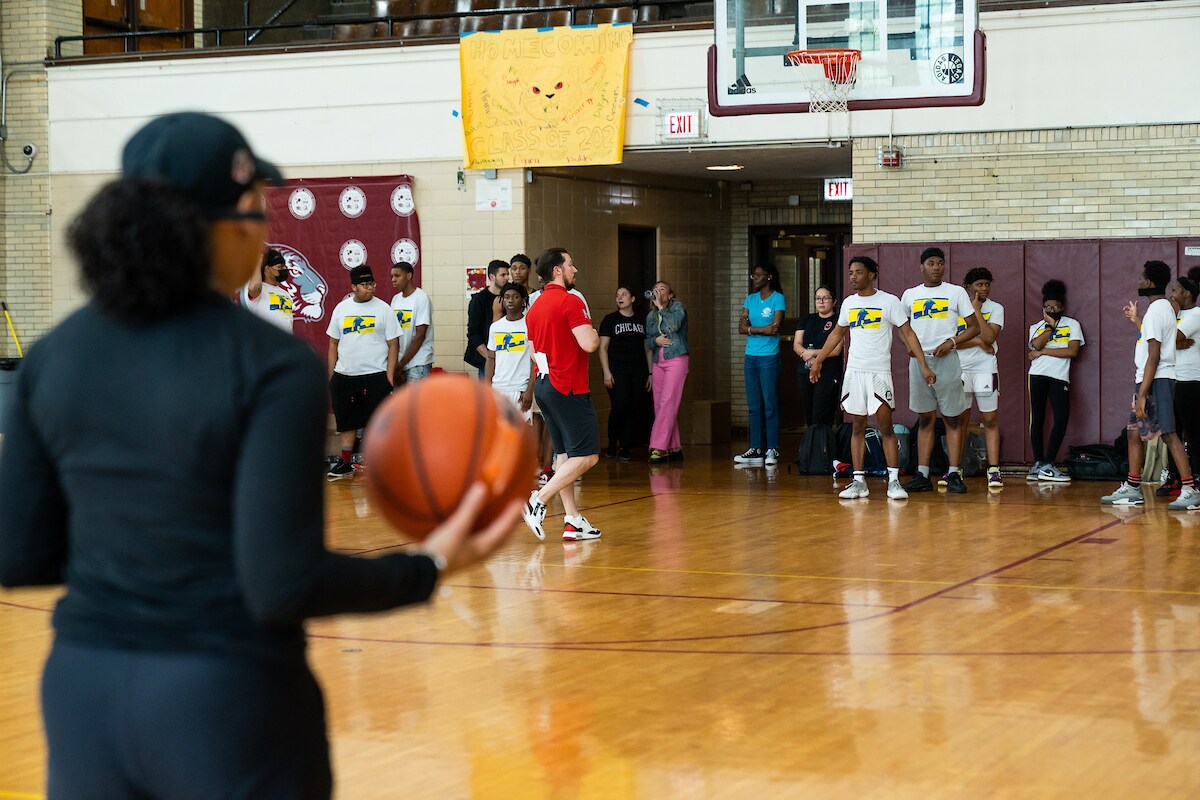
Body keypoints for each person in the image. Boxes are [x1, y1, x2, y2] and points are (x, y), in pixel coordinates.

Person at [0, 111, 517, 800]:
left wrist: (134, 554)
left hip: (82, 689)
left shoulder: (55, 356)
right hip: (222, 695)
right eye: (259, 207)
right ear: (232, 217)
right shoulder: (270, 365)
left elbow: (18, 554)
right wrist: (428, 566)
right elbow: (283, 583)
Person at [810, 256, 933, 500]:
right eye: (851, 272)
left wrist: (924, 365)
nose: (853, 277)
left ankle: (894, 481)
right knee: (858, 426)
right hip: (854, 372)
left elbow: (908, 333)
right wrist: (818, 361)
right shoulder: (849, 303)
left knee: (886, 426)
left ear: (871, 275)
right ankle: (859, 482)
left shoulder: (889, 301)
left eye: (858, 272)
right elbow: (836, 335)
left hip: (879, 373)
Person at [1102, 261, 1199, 510]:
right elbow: (1152, 341)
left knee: (1168, 434)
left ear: (1149, 282)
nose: (1138, 282)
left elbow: (1154, 355)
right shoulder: (1161, 308)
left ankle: (1190, 489)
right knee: (1134, 432)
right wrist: (1136, 320)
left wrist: (1143, 394)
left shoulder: (1157, 310)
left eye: (1141, 278)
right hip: (1147, 379)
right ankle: (1133, 488)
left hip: (1157, 380)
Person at [522, 247, 603, 541]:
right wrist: (593, 332)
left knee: (565, 455)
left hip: (545, 385)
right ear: (557, 270)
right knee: (588, 455)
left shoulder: (534, 307)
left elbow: (533, 353)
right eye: (570, 264)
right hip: (567, 386)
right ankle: (538, 499)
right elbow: (589, 344)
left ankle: (572, 520)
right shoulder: (571, 301)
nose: (574, 269)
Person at [900, 247, 981, 494]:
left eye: (940, 263)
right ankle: (922, 474)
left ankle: (954, 473)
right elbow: (903, 328)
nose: (936, 267)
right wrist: (909, 347)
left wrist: (952, 342)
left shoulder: (955, 292)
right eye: (931, 263)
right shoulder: (910, 295)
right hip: (920, 361)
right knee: (925, 418)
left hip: (947, 360)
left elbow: (974, 327)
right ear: (921, 267)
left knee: (952, 419)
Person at [326, 264, 401, 479]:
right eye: (365, 284)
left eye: (372, 283)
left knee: (377, 422)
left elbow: (393, 344)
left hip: (376, 375)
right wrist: (332, 375)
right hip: (345, 375)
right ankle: (345, 462)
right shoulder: (341, 309)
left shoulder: (384, 309)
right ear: (353, 287)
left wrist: (389, 375)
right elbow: (333, 343)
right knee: (347, 421)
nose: (370, 288)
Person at [1027, 279, 1084, 482]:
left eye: (1056, 307)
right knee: (1037, 418)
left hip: (1059, 377)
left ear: (1063, 307)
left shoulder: (1072, 324)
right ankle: (1038, 464)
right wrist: (1050, 327)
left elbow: (1072, 351)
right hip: (1037, 375)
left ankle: (1049, 463)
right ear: (1043, 308)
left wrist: (1043, 352)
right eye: (1048, 307)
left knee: (1061, 417)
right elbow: (1035, 345)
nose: (1052, 310)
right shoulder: (1037, 327)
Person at [954, 267, 1004, 489]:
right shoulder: (956, 307)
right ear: (968, 287)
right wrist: (976, 342)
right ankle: (955, 469)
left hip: (985, 368)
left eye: (987, 284)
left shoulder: (996, 308)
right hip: (960, 368)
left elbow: (989, 337)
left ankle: (993, 470)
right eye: (979, 285)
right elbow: (951, 342)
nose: (984, 288)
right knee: (960, 421)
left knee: (990, 419)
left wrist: (976, 311)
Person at [735, 264, 786, 467]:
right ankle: (755, 448)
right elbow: (741, 327)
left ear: (769, 277)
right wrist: (760, 329)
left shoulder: (777, 298)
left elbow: (774, 329)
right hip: (751, 357)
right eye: (753, 275)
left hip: (769, 357)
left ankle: (772, 448)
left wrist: (751, 328)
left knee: (770, 404)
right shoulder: (750, 299)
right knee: (754, 405)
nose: (754, 278)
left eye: (758, 275)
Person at [1157, 270, 1200, 496]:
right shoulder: (1174, 315)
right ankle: (1175, 477)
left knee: (1193, 432)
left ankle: (1197, 476)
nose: (1171, 294)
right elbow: (1155, 339)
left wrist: (1174, 342)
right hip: (1171, 379)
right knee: (1172, 432)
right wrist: (1175, 343)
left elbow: (1171, 338)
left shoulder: (1196, 314)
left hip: (1189, 380)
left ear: (1187, 293)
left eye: (1175, 290)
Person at [598, 286, 652, 460]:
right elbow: (603, 348)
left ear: (633, 298)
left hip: (638, 371)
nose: (619, 297)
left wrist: (650, 373)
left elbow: (647, 348)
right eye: (617, 295)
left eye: (624, 294)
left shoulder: (642, 320)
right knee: (619, 407)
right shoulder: (610, 320)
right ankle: (612, 443)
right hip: (617, 371)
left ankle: (625, 447)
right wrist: (606, 372)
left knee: (632, 408)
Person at [645, 280, 689, 464]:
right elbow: (648, 340)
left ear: (670, 295)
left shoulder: (678, 307)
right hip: (659, 361)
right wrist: (655, 341)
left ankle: (658, 447)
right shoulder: (651, 315)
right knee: (660, 405)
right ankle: (674, 447)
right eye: (655, 289)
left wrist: (662, 308)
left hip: (676, 358)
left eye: (662, 289)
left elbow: (674, 325)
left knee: (667, 402)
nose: (657, 292)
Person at [793, 285, 842, 427]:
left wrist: (813, 353)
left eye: (825, 298)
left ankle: (823, 441)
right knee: (809, 414)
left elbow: (836, 350)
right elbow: (797, 344)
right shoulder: (807, 319)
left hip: (827, 373)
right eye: (818, 298)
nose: (821, 301)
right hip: (805, 371)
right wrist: (807, 356)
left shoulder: (838, 320)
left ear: (834, 301)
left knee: (821, 415)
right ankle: (813, 440)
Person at [485, 283, 534, 422]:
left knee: (521, 431)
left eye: (515, 297)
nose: (510, 300)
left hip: (520, 389)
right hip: (498, 388)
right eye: (506, 297)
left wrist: (529, 390)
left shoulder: (530, 326)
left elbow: (535, 362)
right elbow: (491, 359)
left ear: (523, 300)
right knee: (499, 430)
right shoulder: (495, 327)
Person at [389, 260, 435, 384]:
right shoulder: (395, 299)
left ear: (409, 276)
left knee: (416, 397)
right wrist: (396, 363)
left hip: (418, 362)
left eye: (397, 276)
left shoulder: (421, 298)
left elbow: (420, 335)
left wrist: (401, 365)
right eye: (392, 276)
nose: (393, 280)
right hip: (400, 362)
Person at [464, 259, 509, 377]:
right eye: (503, 275)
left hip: (507, 358)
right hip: (487, 360)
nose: (507, 278)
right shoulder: (479, 300)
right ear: (492, 277)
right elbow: (473, 333)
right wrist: (490, 357)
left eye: (507, 274)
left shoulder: (509, 298)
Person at [240, 247, 294, 332]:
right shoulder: (258, 290)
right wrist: (258, 263)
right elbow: (254, 288)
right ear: (268, 269)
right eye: (280, 266)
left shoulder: (286, 294)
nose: (284, 269)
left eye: (284, 266)